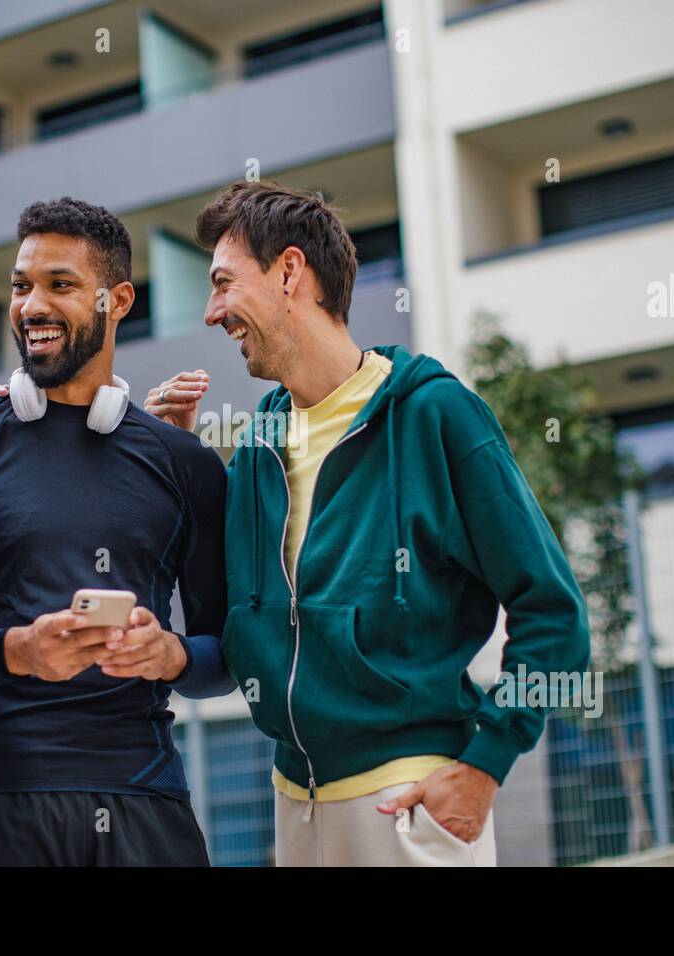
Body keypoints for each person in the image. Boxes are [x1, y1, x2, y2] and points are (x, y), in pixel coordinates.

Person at [145, 181, 590, 866]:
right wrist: (179, 462)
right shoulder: (258, 446)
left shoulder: (433, 416)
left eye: (224, 284)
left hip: (408, 802)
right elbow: (237, 619)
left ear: (290, 272)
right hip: (294, 803)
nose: (211, 313)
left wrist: (485, 765)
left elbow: (554, 613)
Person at [0, 197, 232, 867]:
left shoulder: (185, 463)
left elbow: (227, 657)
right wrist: (15, 652)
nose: (31, 306)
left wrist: (171, 657)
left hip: (144, 803)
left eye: (60, 285)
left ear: (118, 300)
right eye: (22, 286)